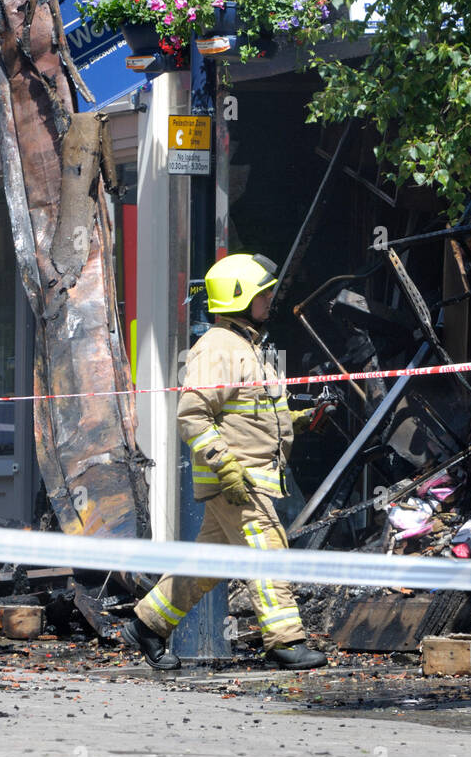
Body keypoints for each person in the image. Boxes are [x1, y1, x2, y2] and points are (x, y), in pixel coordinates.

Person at [124, 253, 330, 671]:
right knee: (269, 549)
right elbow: (192, 415)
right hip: (237, 479)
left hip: (246, 477)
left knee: (207, 565)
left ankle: (147, 625)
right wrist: (227, 466)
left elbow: (248, 414)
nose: (269, 298)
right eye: (262, 293)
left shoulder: (247, 347)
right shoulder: (218, 348)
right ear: (239, 299)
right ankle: (285, 642)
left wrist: (298, 420)